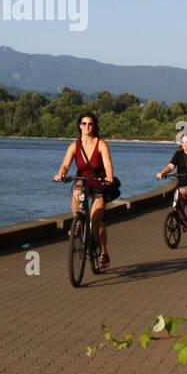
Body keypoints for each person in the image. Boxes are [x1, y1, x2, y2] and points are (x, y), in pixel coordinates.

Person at [53, 111, 115, 270]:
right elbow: (66, 164)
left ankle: (103, 252)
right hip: (83, 181)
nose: (87, 126)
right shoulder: (75, 145)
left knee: (97, 221)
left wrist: (109, 177)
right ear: (79, 126)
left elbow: (107, 163)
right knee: (76, 192)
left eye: (90, 124)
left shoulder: (101, 143)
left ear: (94, 126)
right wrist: (61, 174)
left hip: (99, 183)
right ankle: (78, 222)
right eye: (84, 123)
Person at [157, 133, 187, 224]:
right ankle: (181, 219)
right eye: (183, 142)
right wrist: (163, 173)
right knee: (178, 193)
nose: (185, 144)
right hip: (184, 181)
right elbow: (171, 166)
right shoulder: (178, 153)